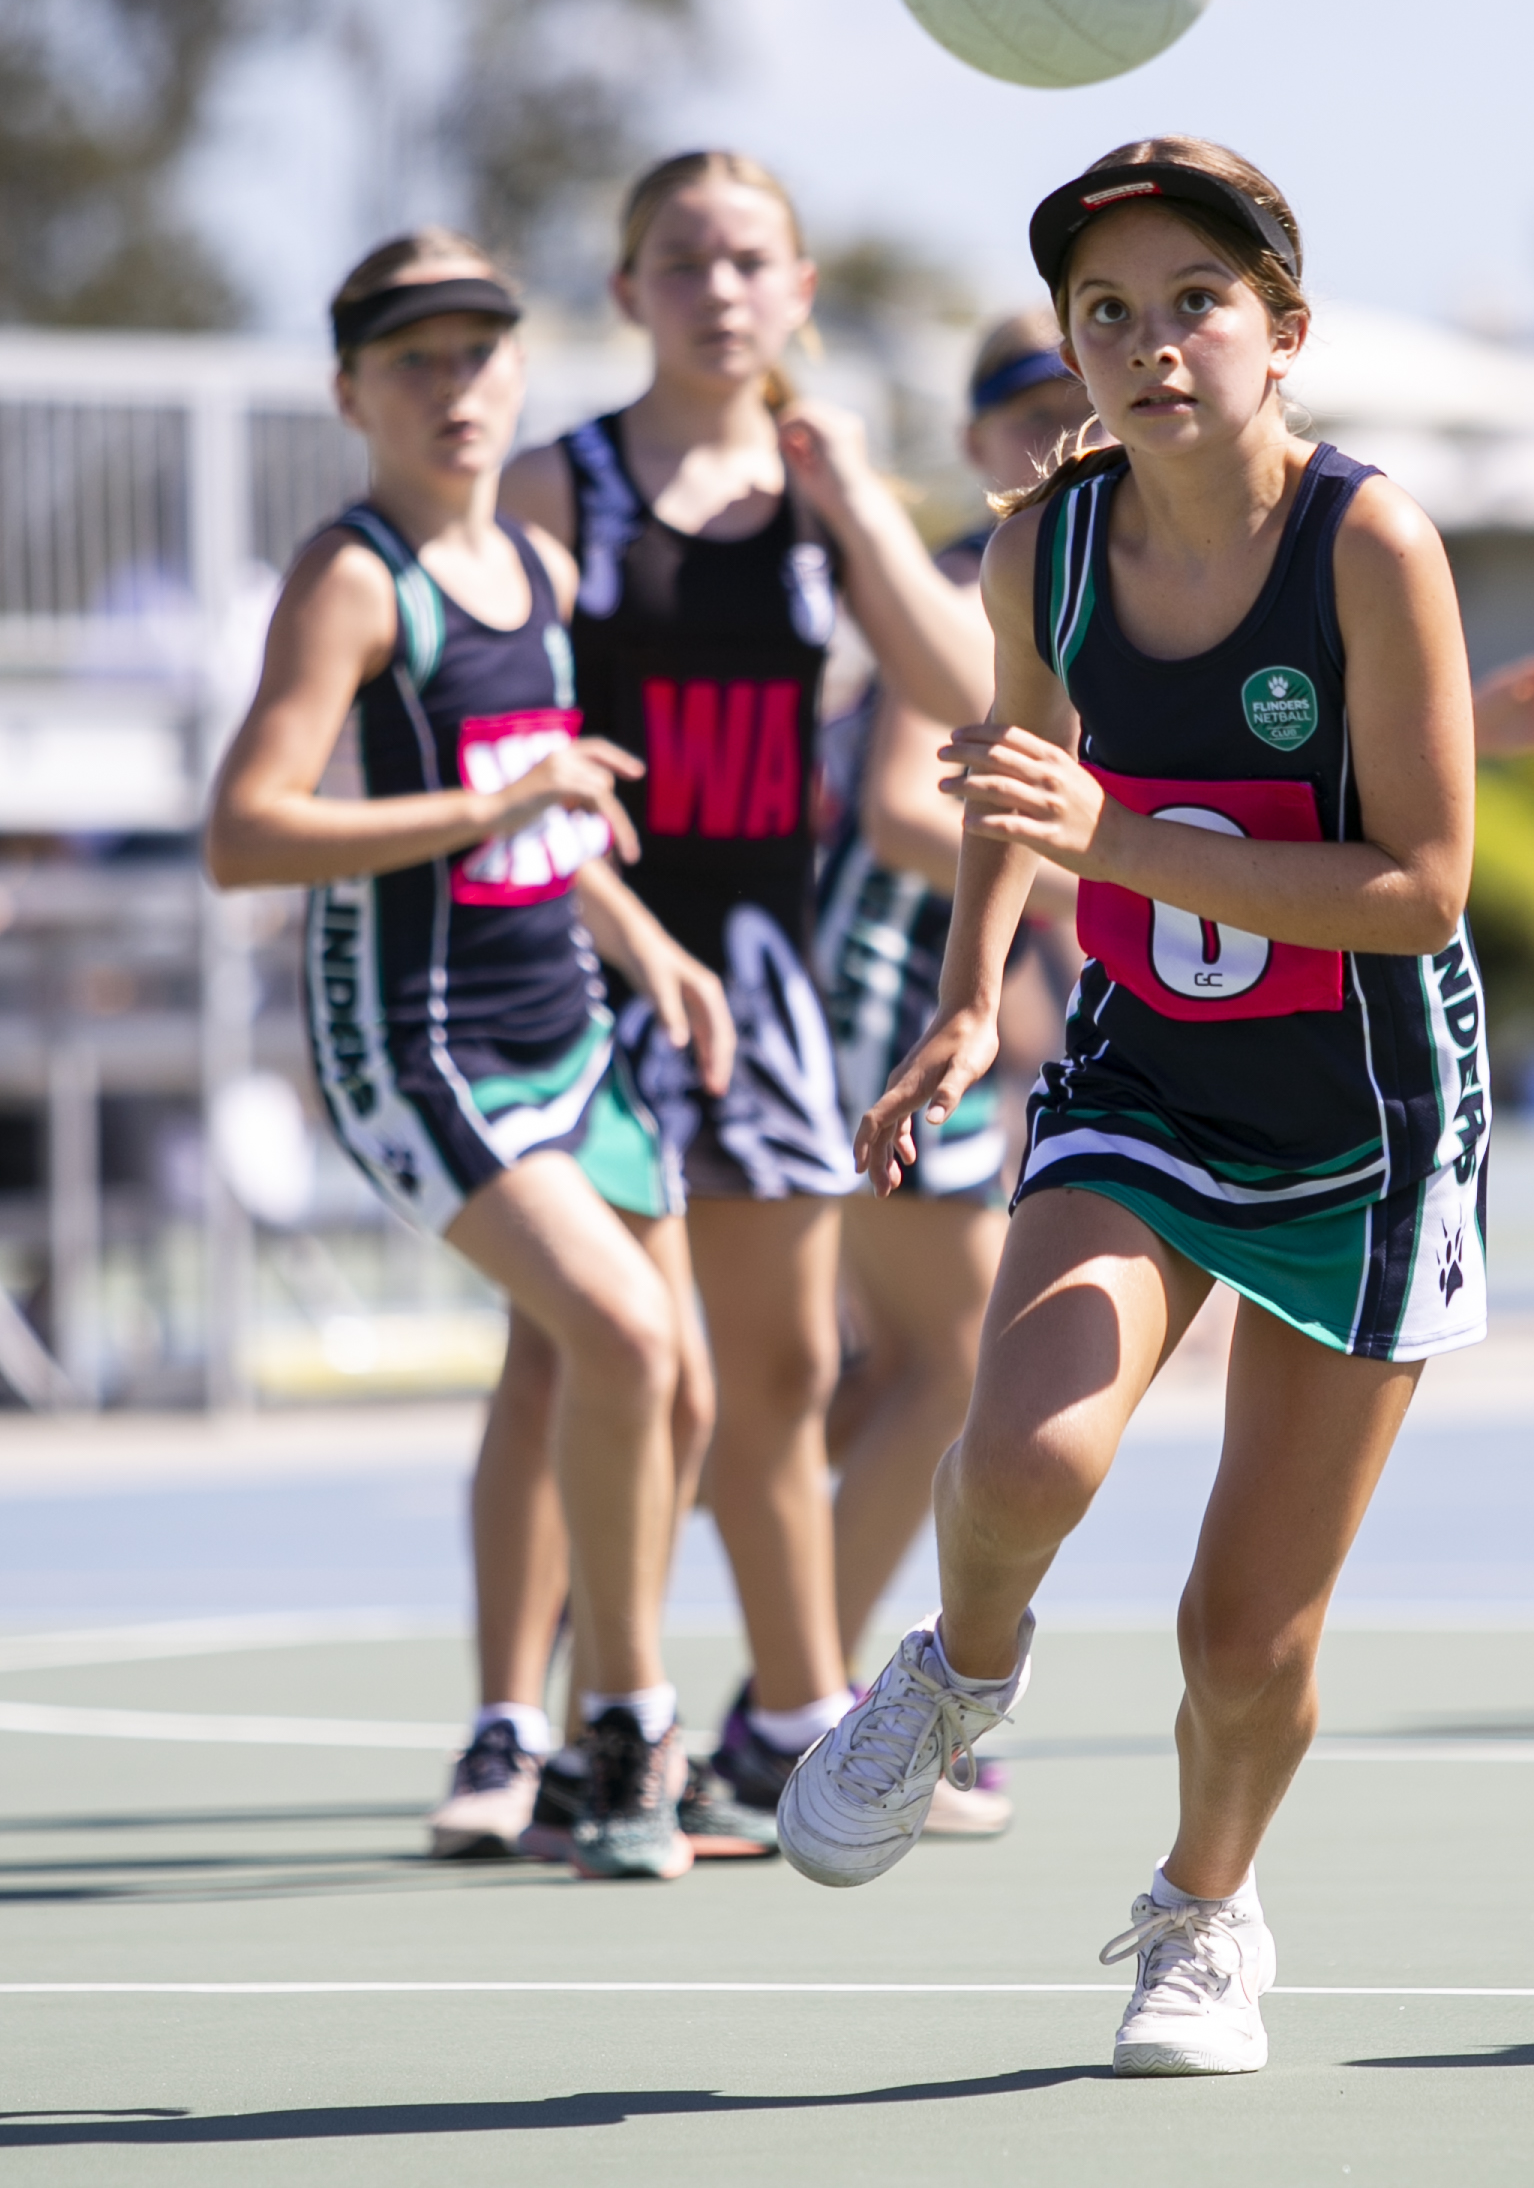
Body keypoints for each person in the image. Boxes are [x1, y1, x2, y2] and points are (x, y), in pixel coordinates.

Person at [778, 136, 1489, 2080]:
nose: (1151, 339)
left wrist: (1129, 837)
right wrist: (955, 1003)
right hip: (1144, 1080)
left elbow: (1424, 884)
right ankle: (955, 1671)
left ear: (1284, 331)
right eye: (1109, 311)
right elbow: (1019, 771)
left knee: (1242, 1632)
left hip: (1369, 1114)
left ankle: (1203, 1910)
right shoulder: (1046, 549)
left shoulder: (1371, 545)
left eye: (1196, 300)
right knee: (1020, 1455)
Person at [205, 228, 731, 1881]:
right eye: (415, 360)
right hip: (416, 1044)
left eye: (480, 353)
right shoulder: (357, 576)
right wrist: (495, 805)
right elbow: (245, 833)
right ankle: (623, 1726)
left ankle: (517, 1725)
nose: (456, 387)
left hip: (565, 1030)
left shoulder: (539, 568)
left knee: (637, 1379)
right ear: (352, 391)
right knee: (624, 1344)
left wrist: (648, 946)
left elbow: (551, 824)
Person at [498, 150, 989, 1841]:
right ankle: (586, 1732)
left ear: (794, 291)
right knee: (618, 1363)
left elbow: (972, 695)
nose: (716, 287)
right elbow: (511, 738)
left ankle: (789, 1721)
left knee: (778, 1373)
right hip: (598, 954)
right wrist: (624, 930)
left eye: (748, 259)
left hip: (764, 982)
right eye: (680, 259)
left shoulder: (815, 491)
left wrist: (855, 499)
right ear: (627, 291)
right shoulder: (566, 489)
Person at [815, 307, 1088, 1837]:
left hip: (941, 1005)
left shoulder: (1096, 576)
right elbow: (903, 808)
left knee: (895, 1373)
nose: (1058, 430)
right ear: (974, 441)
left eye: (1075, 399)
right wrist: (1086, 888)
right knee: (939, 1371)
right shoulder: (965, 579)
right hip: (885, 998)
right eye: (1023, 409)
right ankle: (807, 1697)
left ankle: (795, 1669)